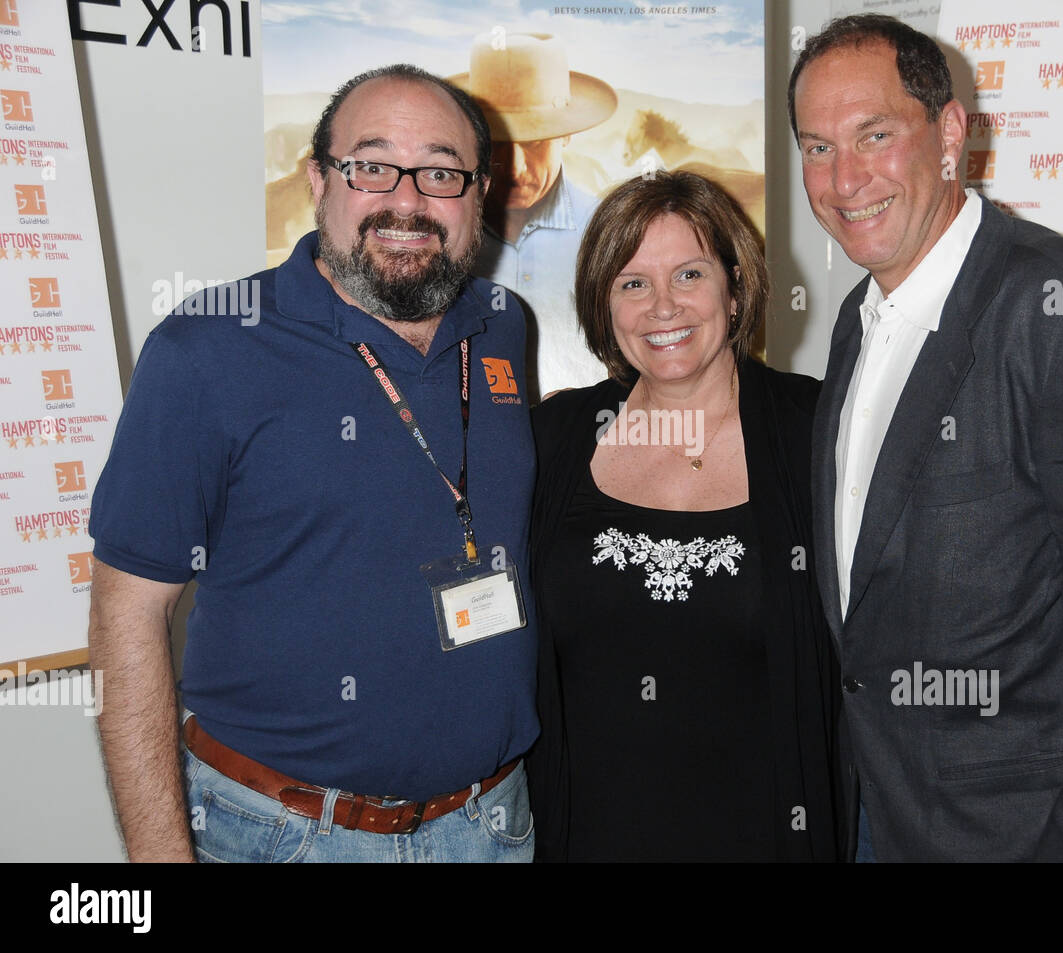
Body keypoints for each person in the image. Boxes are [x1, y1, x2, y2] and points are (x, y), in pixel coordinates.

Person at [789, 14, 1063, 862]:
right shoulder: (856, 321)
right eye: (816, 148)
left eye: (874, 135)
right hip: (881, 817)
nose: (844, 180)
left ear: (949, 133)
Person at [87, 64, 539, 862]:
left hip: (493, 824)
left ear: (479, 193)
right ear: (317, 180)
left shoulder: (505, 327)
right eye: (370, 165)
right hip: (282, 834)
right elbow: (128, 615)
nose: (407, 200)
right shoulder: (207, 351)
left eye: (440, 171)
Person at [527, 171, 846, 861]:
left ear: (735, 287)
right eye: (632, 282)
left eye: (690, 274)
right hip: (582, 838)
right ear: (602, 303)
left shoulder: (816, 432)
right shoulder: (553, 436)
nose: (661, 306)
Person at [452, 32, 617, 402]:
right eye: (499, 145)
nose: (517, 167)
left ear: (567, 135)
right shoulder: (435, 239)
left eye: (535, 141)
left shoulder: (609, 237)